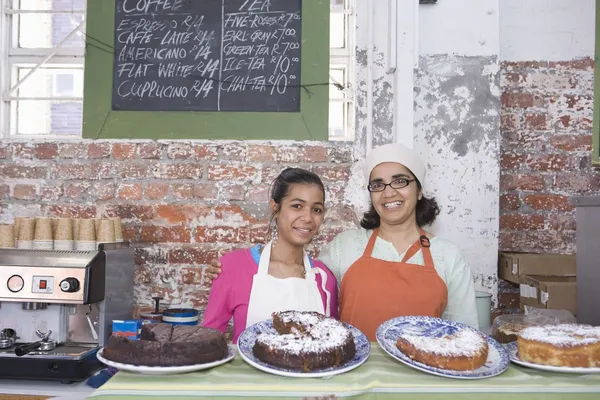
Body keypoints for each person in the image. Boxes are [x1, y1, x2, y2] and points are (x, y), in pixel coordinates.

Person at [205, 143, 478, 341]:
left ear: (418, 191)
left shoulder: (449, 256)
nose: (389, 192)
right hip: (353, 380)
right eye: (378, 184)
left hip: (423, 385)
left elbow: (466, 337)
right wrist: (229, 271)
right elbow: (298, 276)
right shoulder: (344, 247)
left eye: (401, 181)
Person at [202, 167, 338, 343]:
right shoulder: (231, 268)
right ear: (275, 208)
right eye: (297, 206)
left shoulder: (324, 278)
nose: (308, 217)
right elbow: (208, 342)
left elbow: (331, 342)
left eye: (317, 209)